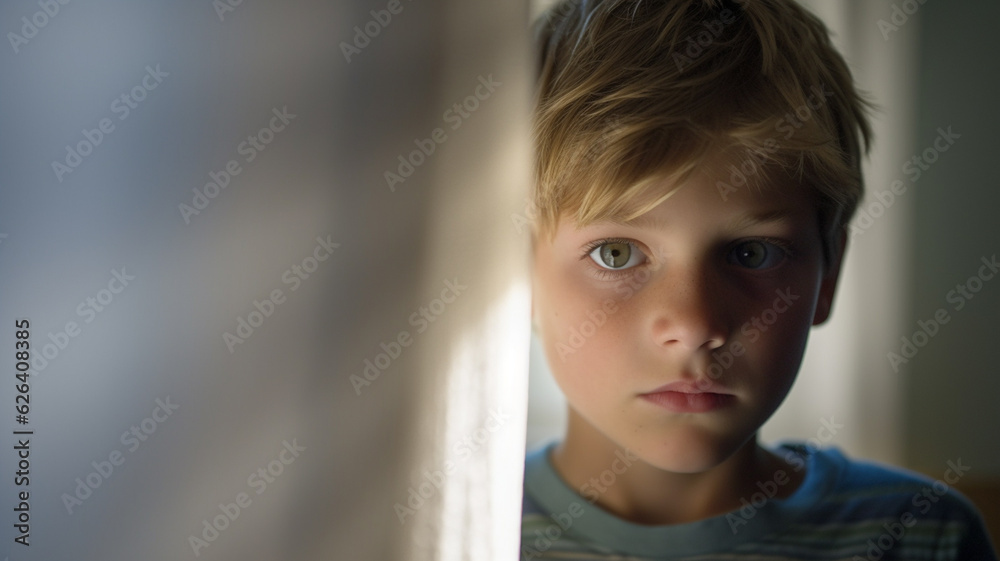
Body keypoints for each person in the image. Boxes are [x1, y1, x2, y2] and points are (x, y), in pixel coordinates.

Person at [521, 0, 998, 559]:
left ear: (829, 274)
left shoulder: (923, 536)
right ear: (518, 276)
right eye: (617, 252)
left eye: (751, 252)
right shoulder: (451, 533)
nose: (696, 325)